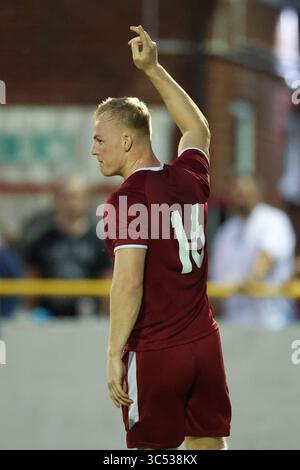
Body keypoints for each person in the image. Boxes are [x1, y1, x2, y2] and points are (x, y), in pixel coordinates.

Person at [92, 25, 231, 450]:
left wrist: (114, 354)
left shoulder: (127, 199)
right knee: (207, 443)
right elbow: (199, 130)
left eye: (100, 139)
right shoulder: (188, 177)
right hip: (204, 343)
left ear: (128, 140)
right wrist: (153, 69)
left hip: (157, 351)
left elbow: (129, 282)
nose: (94, 149)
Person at [210, 175, 296, 329]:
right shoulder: (226, 232)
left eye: (246, 191)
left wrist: (249, 281)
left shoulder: (274, 220)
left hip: (273, 321)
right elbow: (217, 280)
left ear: (258, 193)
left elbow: (265, 261)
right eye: (237, 192)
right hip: (234, 323)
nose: (241, 196)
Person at [22, 175, 111, 318]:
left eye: (75, 196)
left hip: (88, 321)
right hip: (47, 321)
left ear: (86, 199)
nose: (70, 202)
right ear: (56, 200)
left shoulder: (100, 242)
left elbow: (107, 284)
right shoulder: (40, 241)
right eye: (64, 196)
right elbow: (30, 285)